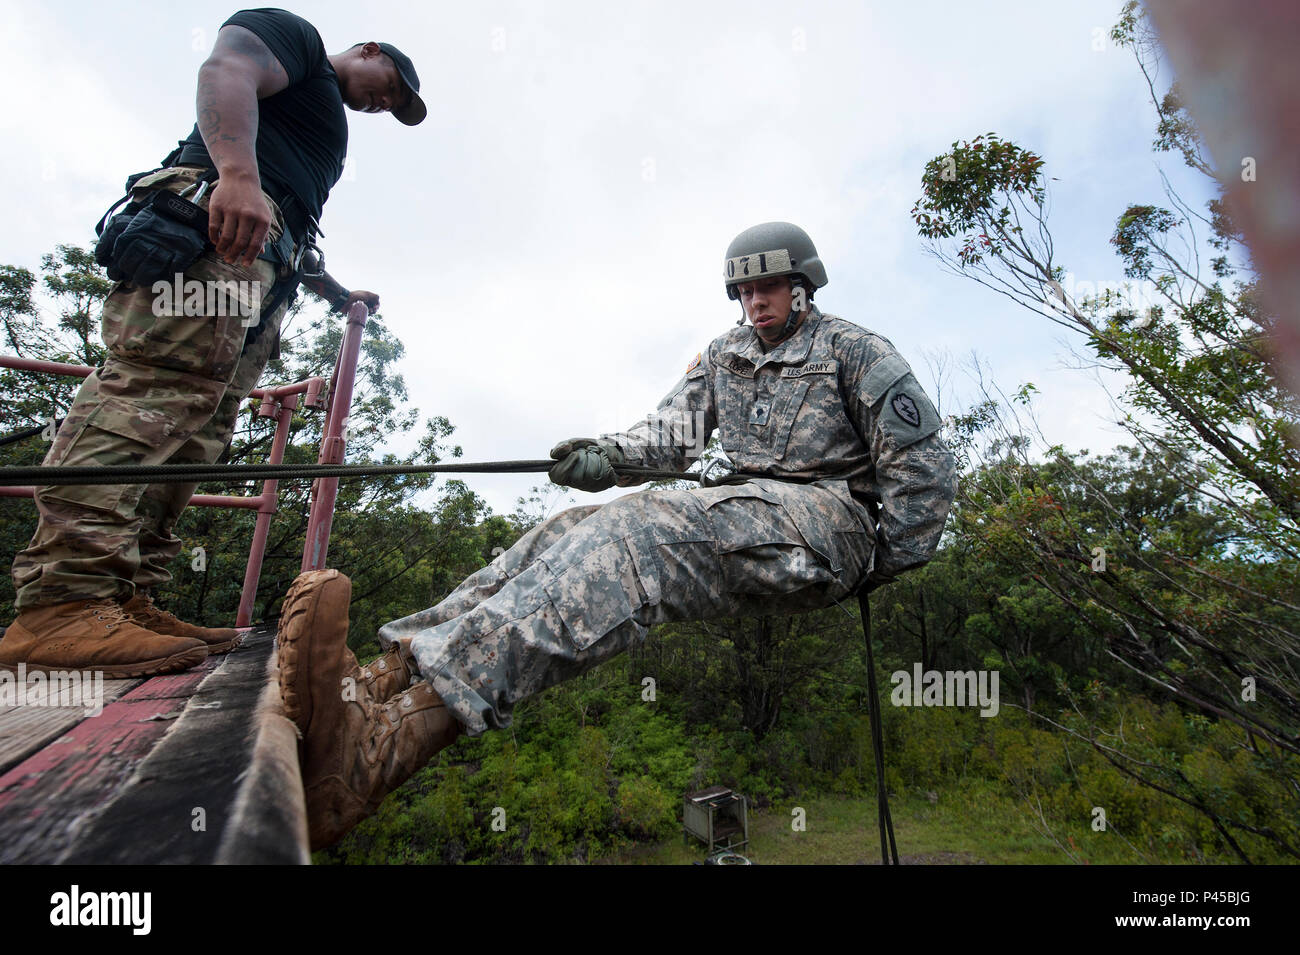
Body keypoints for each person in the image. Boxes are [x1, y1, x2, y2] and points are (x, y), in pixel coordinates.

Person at [277, 221, 960, 849]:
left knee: (643, 534)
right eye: (745, 288)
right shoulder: (725, 354)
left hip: (827, 521)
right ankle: (384, 677)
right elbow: (674, 433)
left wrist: (876, 562)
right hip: (749, 507)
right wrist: (607, 457)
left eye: (769, 285)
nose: (756, 299)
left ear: (802, 286)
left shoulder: (856, 351)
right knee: (570, 529)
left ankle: (376, 754)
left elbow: (924, 469)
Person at [1, 8, 427, 678]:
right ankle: (61, 603)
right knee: (152, 395)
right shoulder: (300, 43)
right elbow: (224, 68)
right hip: (212, 239)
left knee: (195, 428)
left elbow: (287, 221)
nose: (384, 103)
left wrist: (336, 292)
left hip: (257, 270)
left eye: (393, 105)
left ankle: (124, 598)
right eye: (391, 87)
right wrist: (236, 174)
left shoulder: (314, 113)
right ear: (370, 49)